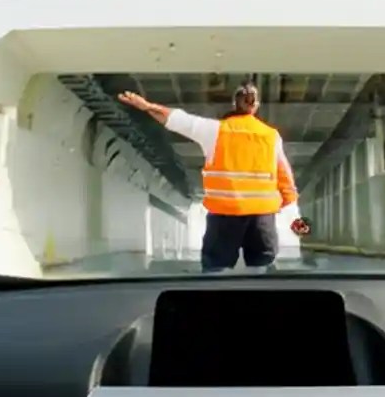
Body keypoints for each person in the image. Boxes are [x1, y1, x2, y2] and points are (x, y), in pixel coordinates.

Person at [118, 82, 300, 272]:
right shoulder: (271, 136)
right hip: (262, 218)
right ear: (256, 105)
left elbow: (175, 119)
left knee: (215, 269)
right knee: (262, 268)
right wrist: (291, 207)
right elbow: (284, 175)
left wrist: (146, 106)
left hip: (224, 216)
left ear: (234, 103)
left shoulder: (215, 131)